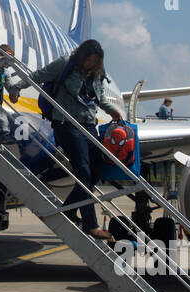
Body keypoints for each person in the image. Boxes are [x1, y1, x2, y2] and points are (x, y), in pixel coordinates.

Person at [29, 39, 124, 240]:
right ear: (82, 56)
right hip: (67, 125)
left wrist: (113, 112)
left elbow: (101, 99)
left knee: (97, 169)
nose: (90, 64)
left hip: (89, 126)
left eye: (94, 61)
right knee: (83, 171)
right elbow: (37, 76)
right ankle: (91, 224)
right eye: (88, 59)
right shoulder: (65, 64)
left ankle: (70, 210)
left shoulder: (97, 74)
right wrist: (15, 87)